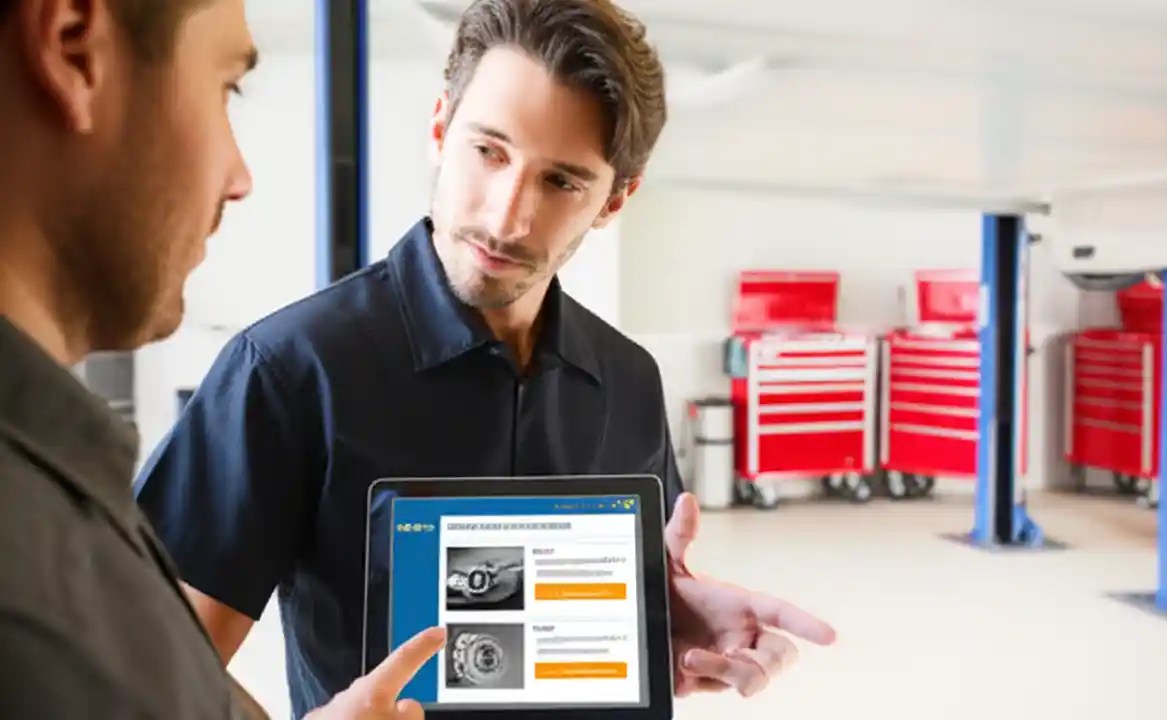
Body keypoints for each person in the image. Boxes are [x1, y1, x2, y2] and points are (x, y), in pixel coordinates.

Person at [133, 0, 838, 717]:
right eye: (489, 151)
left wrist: (661, 625)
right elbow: (142, 676)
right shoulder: (286, 371)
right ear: (440, 127)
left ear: (615, 199)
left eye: (561, 181)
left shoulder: (627, 381)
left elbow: (592, 619)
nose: (507, 218)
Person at [0, 1, 451, 718]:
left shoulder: (59, 509)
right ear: (73, 49)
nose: (239, 177)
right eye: (225, 88)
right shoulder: (33, 589)